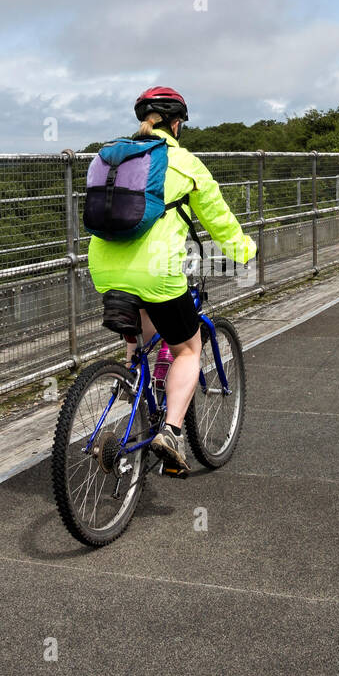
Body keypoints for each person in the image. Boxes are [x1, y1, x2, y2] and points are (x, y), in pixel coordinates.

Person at [87, 86, 257, 476]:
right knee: (188, 349)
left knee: (142, 342)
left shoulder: (110, 157)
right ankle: (170, 431)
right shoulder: (184, 163)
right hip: (157, 272)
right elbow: (219, 221)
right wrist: (245, 251)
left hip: (105, 267)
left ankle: (130, 385)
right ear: (177, 124)